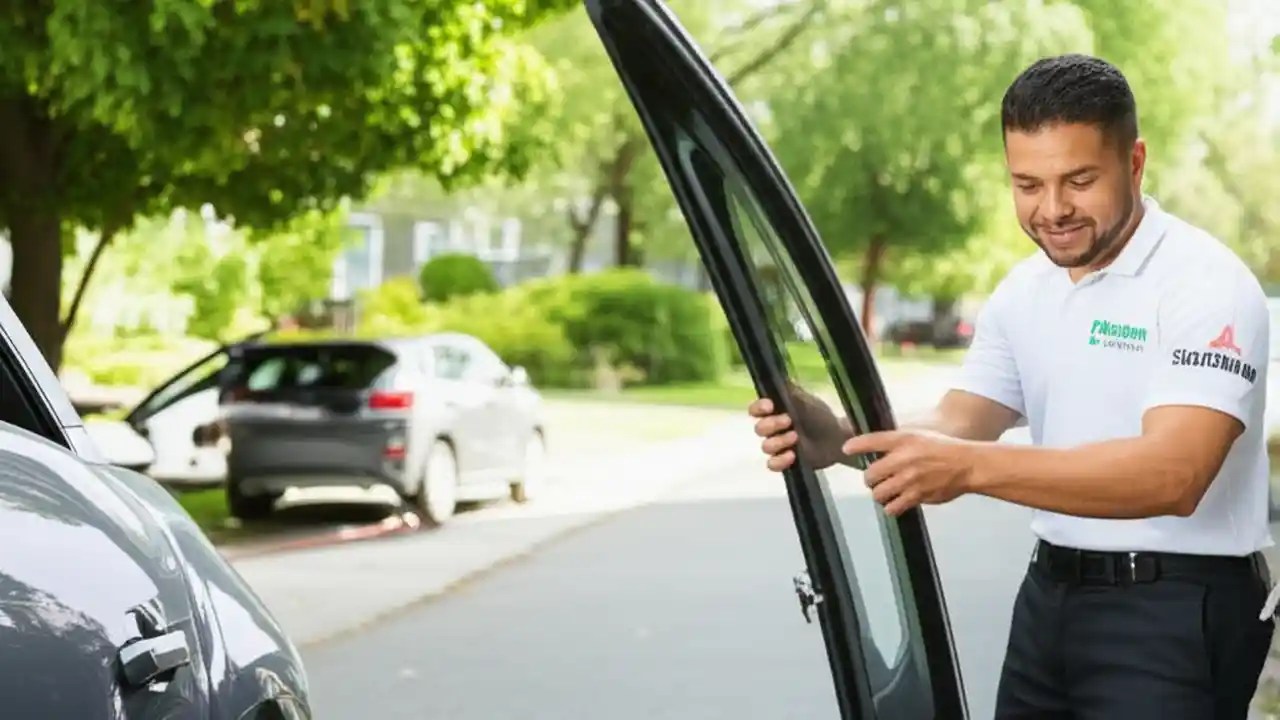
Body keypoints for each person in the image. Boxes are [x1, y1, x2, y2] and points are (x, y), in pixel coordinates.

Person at [748, 53, 1275, 718]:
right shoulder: (1026, 289)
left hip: (1174, 611)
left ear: (1134, 163)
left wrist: (970, 470)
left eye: (1079, 180)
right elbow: (964, 418)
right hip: (1049, 597)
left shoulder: (1206, 284)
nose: (1051, 210)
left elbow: (1174, 473)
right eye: (1026, 184)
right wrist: (847, 437)